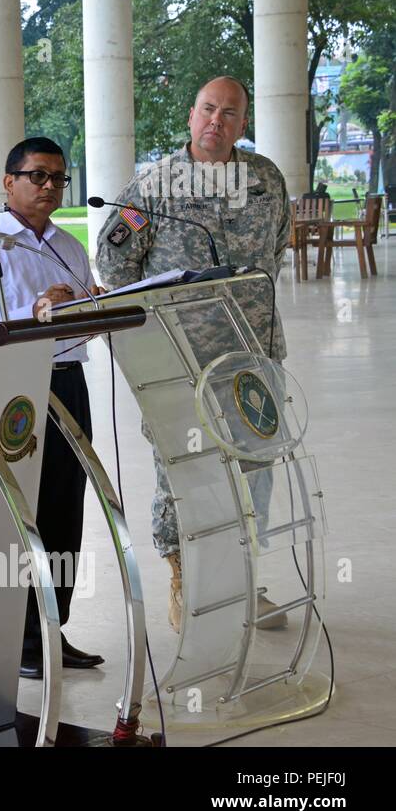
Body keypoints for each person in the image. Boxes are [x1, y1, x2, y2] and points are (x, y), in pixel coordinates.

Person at [94, 75, 291, 632]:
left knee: (255, 467)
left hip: (255, 353)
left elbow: (278, 246)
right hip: (179, 361)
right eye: (208, 109)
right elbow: (114, 266)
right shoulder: (155, 184)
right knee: (183, 469)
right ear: (190, 114)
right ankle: (185, 578)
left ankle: (241, 581)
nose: (217, 122)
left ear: (243, 124)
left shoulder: (266, 179)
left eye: (230, 113)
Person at [0, 137, 106, 678]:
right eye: (36, 176)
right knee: (20, 513)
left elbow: (81, 313)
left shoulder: (70, 247)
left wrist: (98, 307)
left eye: (58, 178)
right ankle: (14, 638)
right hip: (11, 390)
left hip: (69, 382)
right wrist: (31, 311)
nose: (48, 187)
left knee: (66, 506)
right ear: (8, 181)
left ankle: (51, 631)